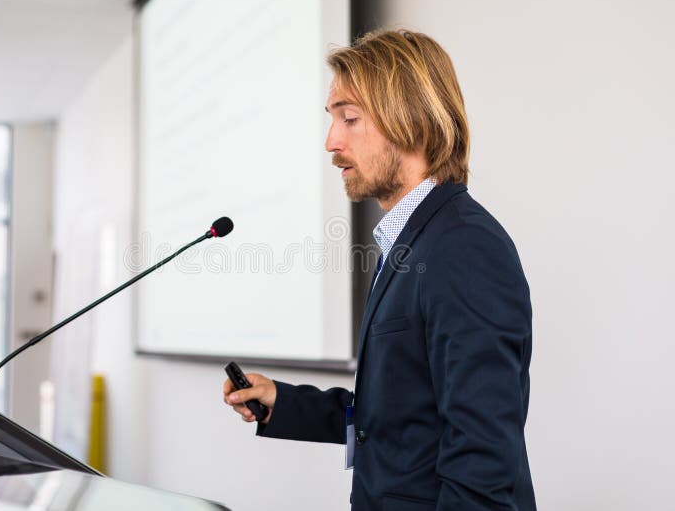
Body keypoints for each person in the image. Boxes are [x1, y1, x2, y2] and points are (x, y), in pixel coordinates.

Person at [222, 29, 535, 511]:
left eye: (350, 118)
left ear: (411, 118)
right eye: (333, 120)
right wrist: (282, 401)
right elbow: (400, 414)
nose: (331, 142)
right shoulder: (410, 241)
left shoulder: (466, 247)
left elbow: (484, 459)